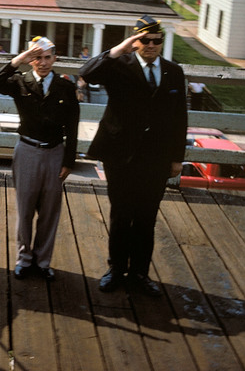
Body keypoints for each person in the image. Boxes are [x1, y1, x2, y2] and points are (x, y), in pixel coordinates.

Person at [81, 15, 186, 297]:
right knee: (121, 214)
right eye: (144, 40)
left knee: (146, 217)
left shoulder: (173, 72)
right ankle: (115, 269)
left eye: (156, 40)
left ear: (162, 42)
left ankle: (139, 273)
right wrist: (120, 48)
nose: (151, 45)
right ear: (135, 40)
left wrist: (177, 157)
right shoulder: (119, 66)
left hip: (156, 158)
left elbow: (179, 118)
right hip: (120, 155)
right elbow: (87, 74)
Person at [0, 36, 79, 281]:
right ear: (30, 59)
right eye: (37, 57)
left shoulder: (66, 87)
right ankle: (24, 259)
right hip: (27, 150)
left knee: (50, 211)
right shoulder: (20, 81)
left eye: (47, 57)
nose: (43, 62)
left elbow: (72, 127)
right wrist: (19, 60)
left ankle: (43, 261)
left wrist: (68, 161)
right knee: (25, 209)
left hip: (54, 152)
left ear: (55, 58)